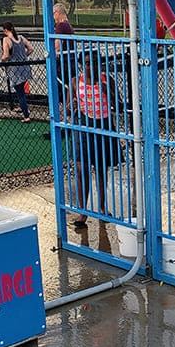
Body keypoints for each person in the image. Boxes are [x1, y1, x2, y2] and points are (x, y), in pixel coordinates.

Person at [71, 55, 113, 228]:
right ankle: (83, 210)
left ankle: (102, 207)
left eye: (94, 63)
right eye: (87, 64)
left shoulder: (106, 79)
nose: (91, 67)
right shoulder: (75, 81)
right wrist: (72, 105)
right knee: (81, 168)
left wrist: (106, 91)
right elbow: (68, 107)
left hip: (102, 124)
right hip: (83, 125)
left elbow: (117, 105)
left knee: (101, 167)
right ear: (82, 65)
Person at [1, 22, 33, 121]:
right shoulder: (21, 38)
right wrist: (24, 56)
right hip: (24, 66)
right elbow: (31, 49)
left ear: (5, 30)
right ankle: (23, 107)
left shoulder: (6, 40)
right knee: (21, 90)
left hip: (15, 68)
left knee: (20, 93)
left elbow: (6, 55)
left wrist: (2, 61)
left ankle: (26, 115)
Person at [53, 3, 75, 108]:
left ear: (57, 13)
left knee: (60, 85)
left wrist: (53, 53)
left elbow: (57, 45)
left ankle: (63, 109)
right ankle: (68, 107)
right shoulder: (68, 24)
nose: (53, 17)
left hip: (64, 62)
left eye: (53, 14)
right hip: (70, 60)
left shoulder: (61, 26)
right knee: (69, 85)